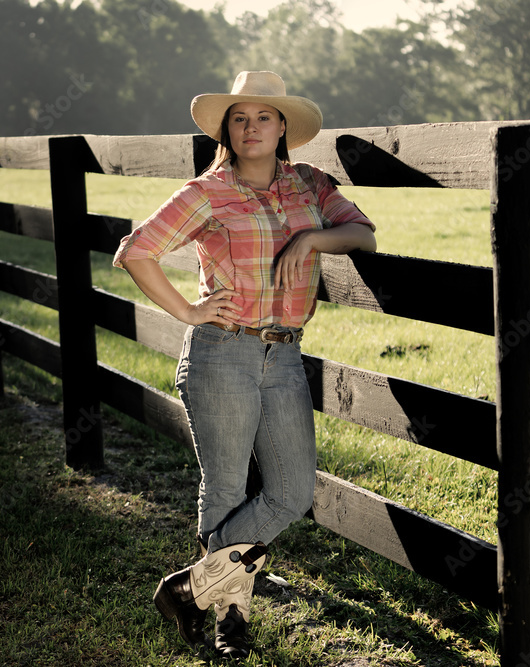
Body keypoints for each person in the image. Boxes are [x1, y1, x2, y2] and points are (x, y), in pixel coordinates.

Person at [112, 71, 377, 659]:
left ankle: (188, 588)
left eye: (263, 117)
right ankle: (230, 621)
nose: (251, 127)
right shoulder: (207, 192)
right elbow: (137, 250)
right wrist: (189, 310)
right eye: (239, 118)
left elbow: (363, 233)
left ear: (283, 127)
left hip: (284, 355)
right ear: (227, 131)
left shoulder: (310, 184)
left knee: (291, 491)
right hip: (222, 352)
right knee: (228, 488)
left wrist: (310, 240)